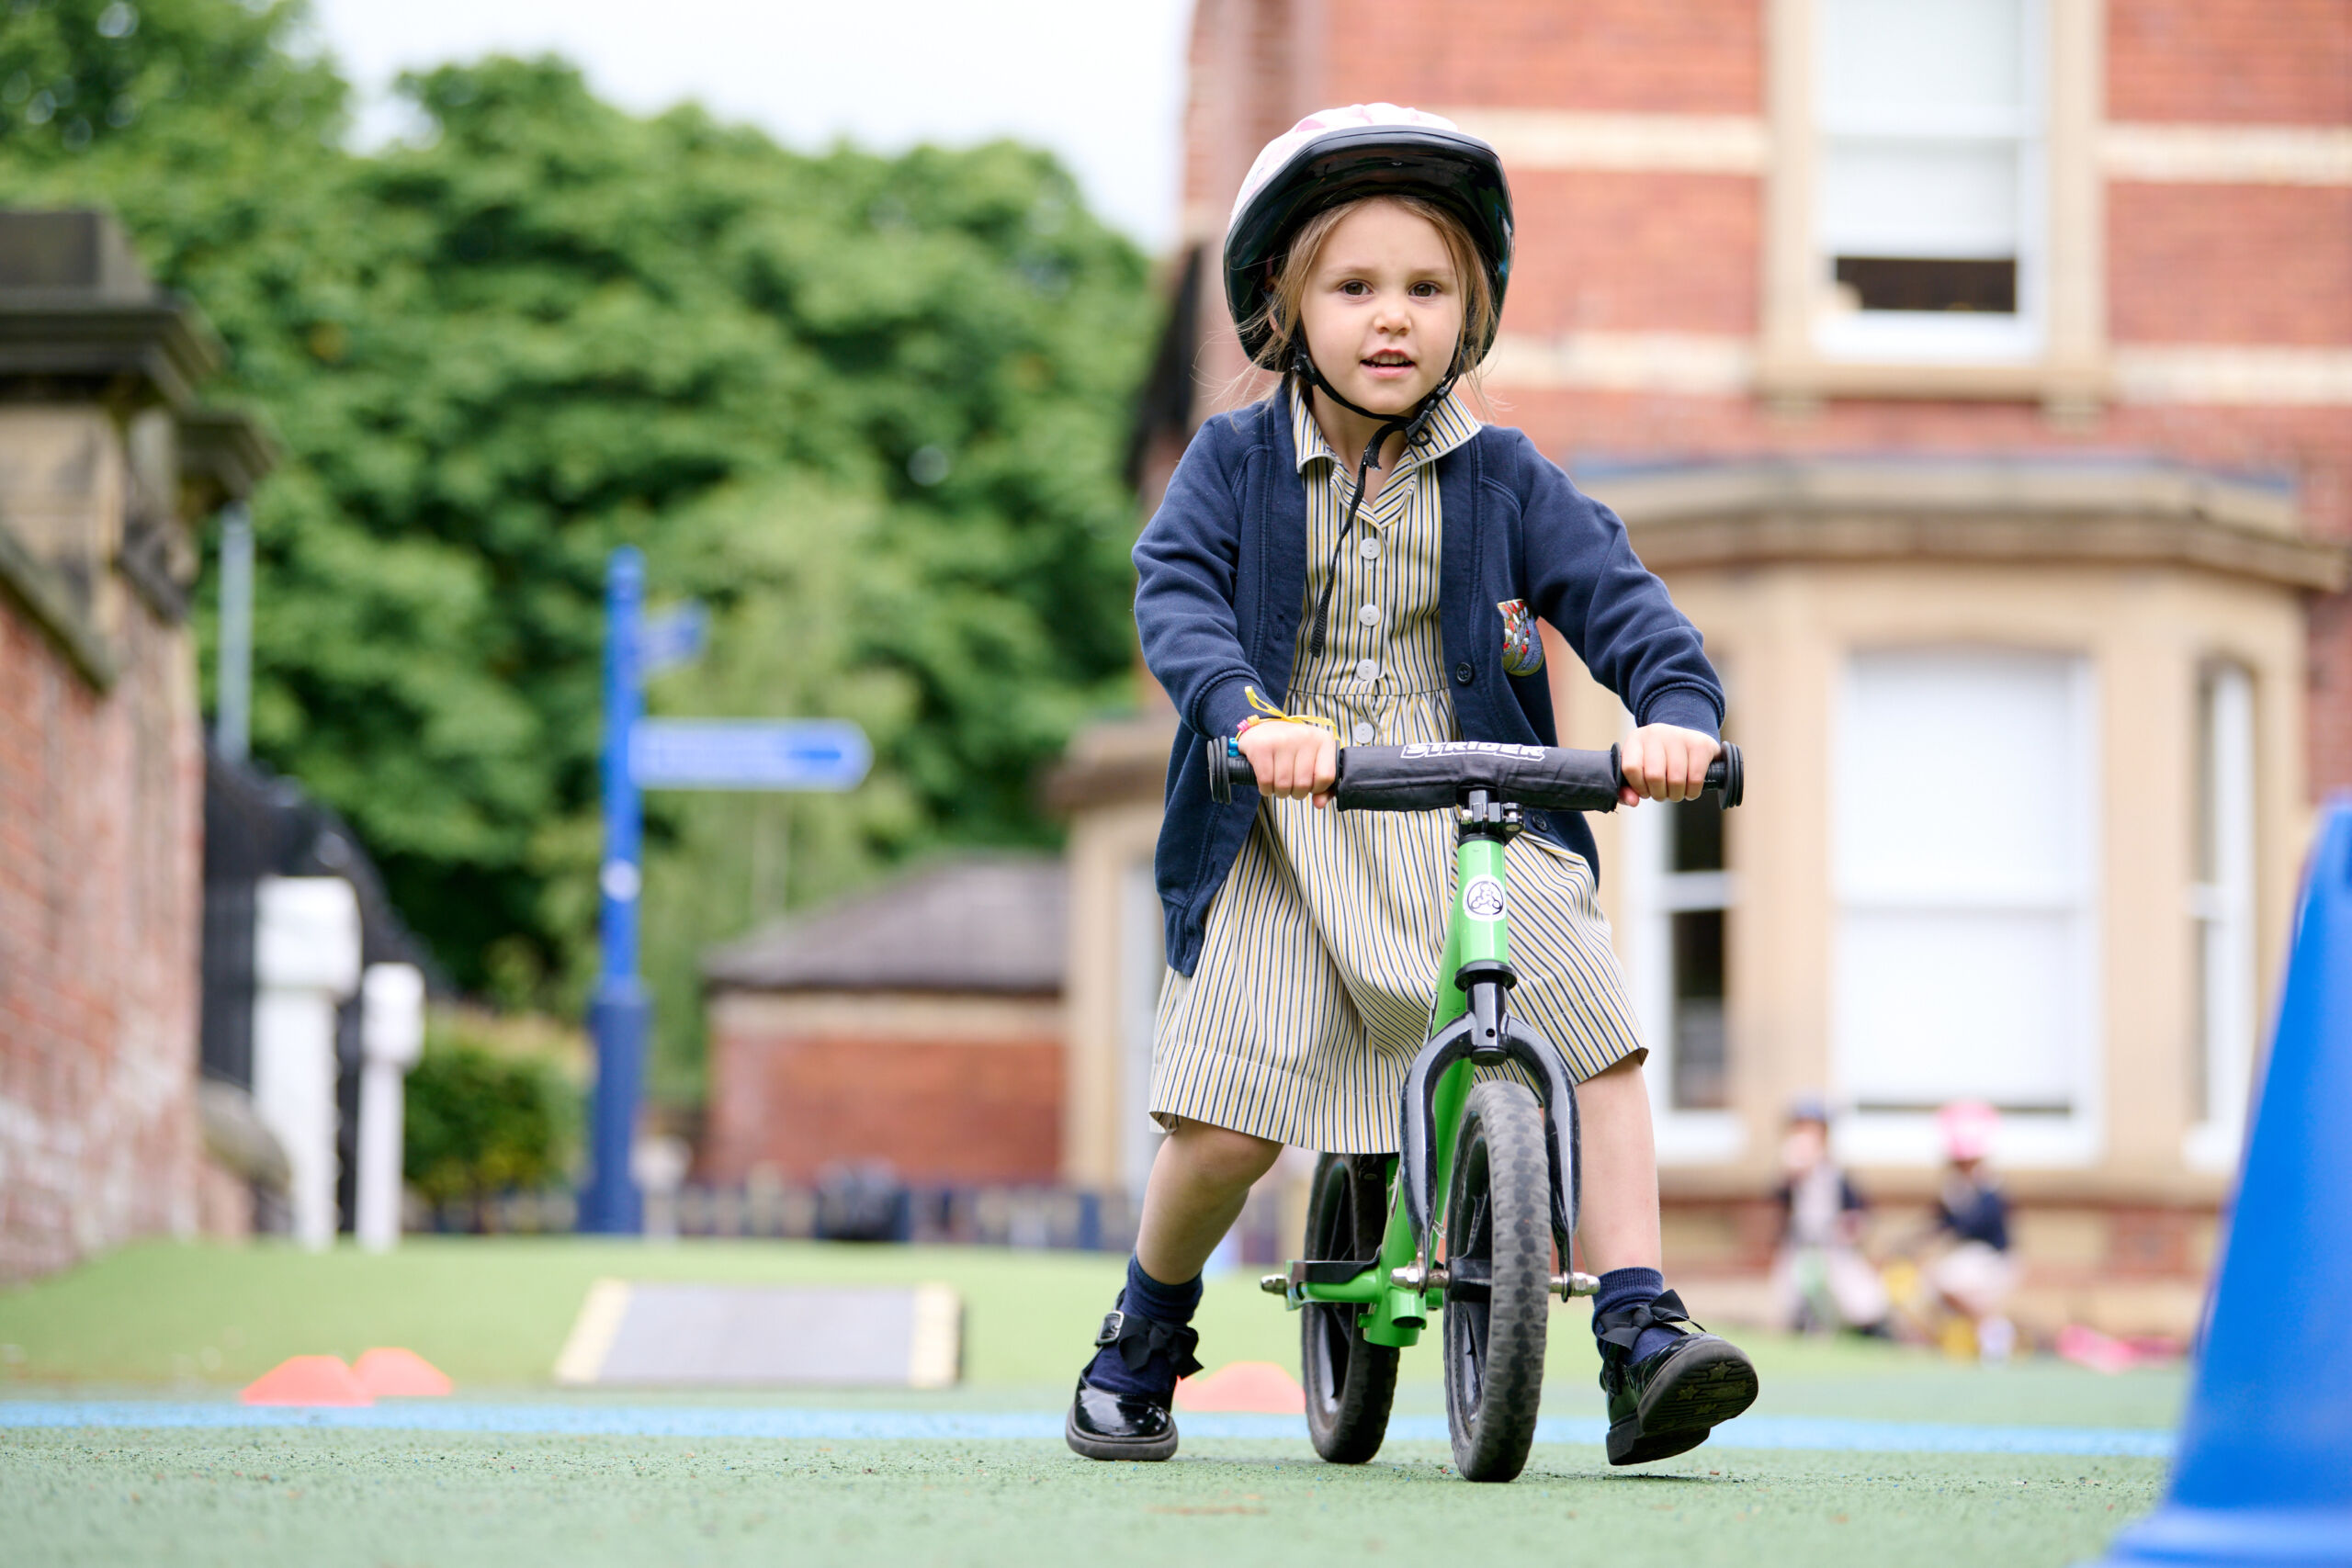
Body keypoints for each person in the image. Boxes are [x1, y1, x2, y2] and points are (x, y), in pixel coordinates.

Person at [1066, 105, 1758, 1469]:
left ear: (1471, 312)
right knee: (1226, 1123)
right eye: (1356, 287)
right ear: (1285, 305)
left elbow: (1620, 603)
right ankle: (1145, 1328)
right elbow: (1177, 595)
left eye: (1429, 289)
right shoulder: (1234, 462)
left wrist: (1677, 714)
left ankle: (1639, 1326)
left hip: (1478, 813)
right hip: (1286, 823)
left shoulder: (1504, 475)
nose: (1393, 317)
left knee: (1597, 1040)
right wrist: (1243, 715)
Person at [1771, 1098, 1889, 1335]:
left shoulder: (1835, 1174)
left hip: (1834, 1248)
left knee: (1863, 1302)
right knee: (1793, 1302)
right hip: (1800, 1249)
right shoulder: (1792, 1174)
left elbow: (1860, 1212)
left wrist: (1852, 1228)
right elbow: (1777, 1201)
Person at [1923, 1100, 2019, 1360]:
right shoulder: (1954, 1187)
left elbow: (1973, 1225)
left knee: (1944, 1282)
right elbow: (1939, 1222)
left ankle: (1991, 1328)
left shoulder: (1989, 1188)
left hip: (1991, 1258)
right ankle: (1981, 1331)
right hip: (1970, 1258)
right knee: (1932, 1286)